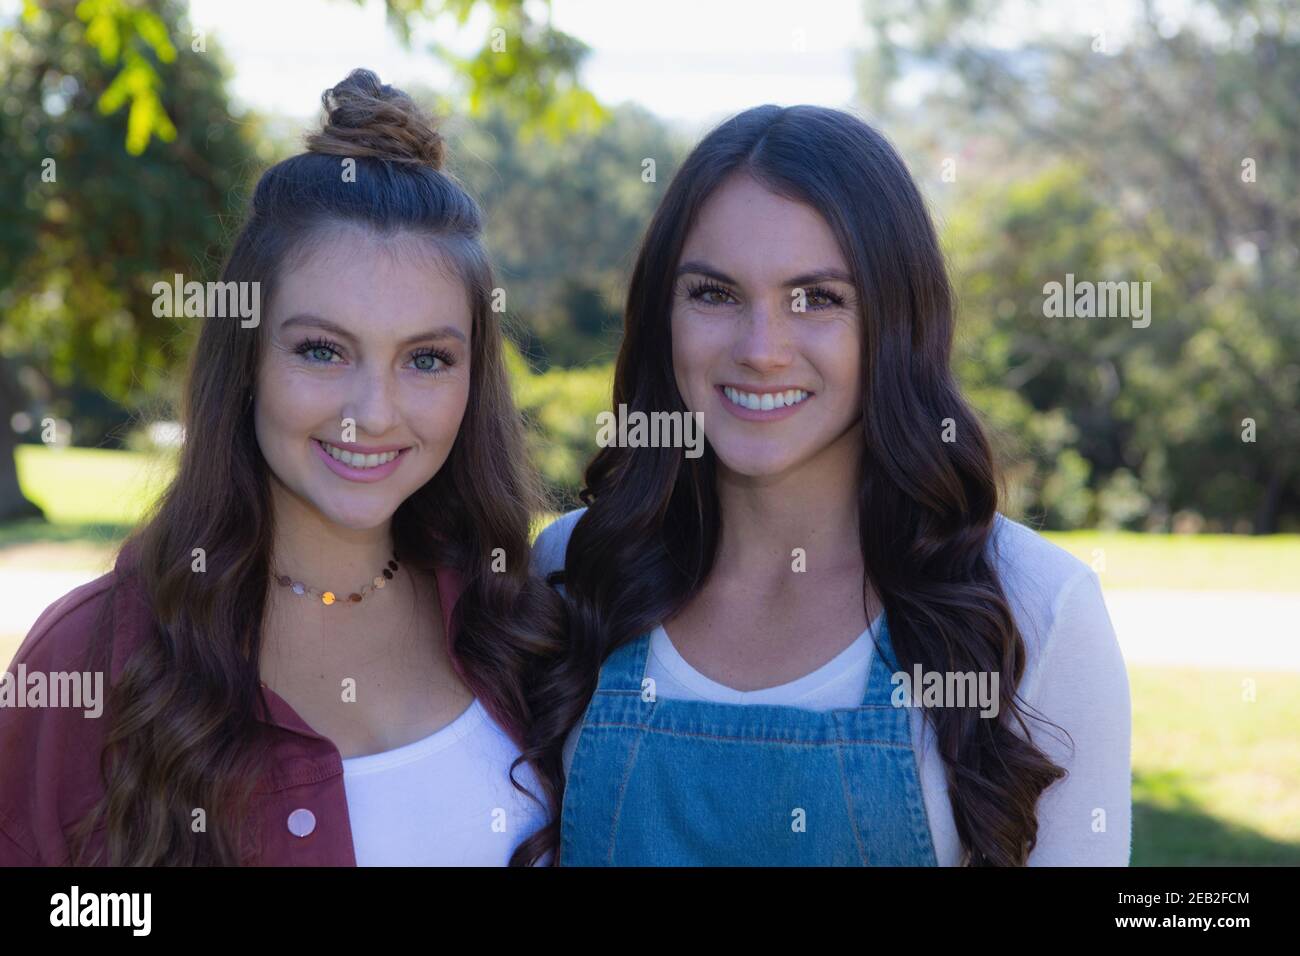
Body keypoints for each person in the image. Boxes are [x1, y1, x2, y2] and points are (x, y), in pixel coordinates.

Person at [531, 104, 1132, 866]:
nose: (761, 350)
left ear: (896, 321)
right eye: (714, 293)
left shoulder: (1035, 608)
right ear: (663, 315)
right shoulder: (571, 571)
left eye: (817, 298)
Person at [0, 69, 562, 867]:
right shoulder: (89, 656)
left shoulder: (525, 626)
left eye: (428, 359)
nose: (373, 410)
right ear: (248, 359)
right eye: (322, 350)